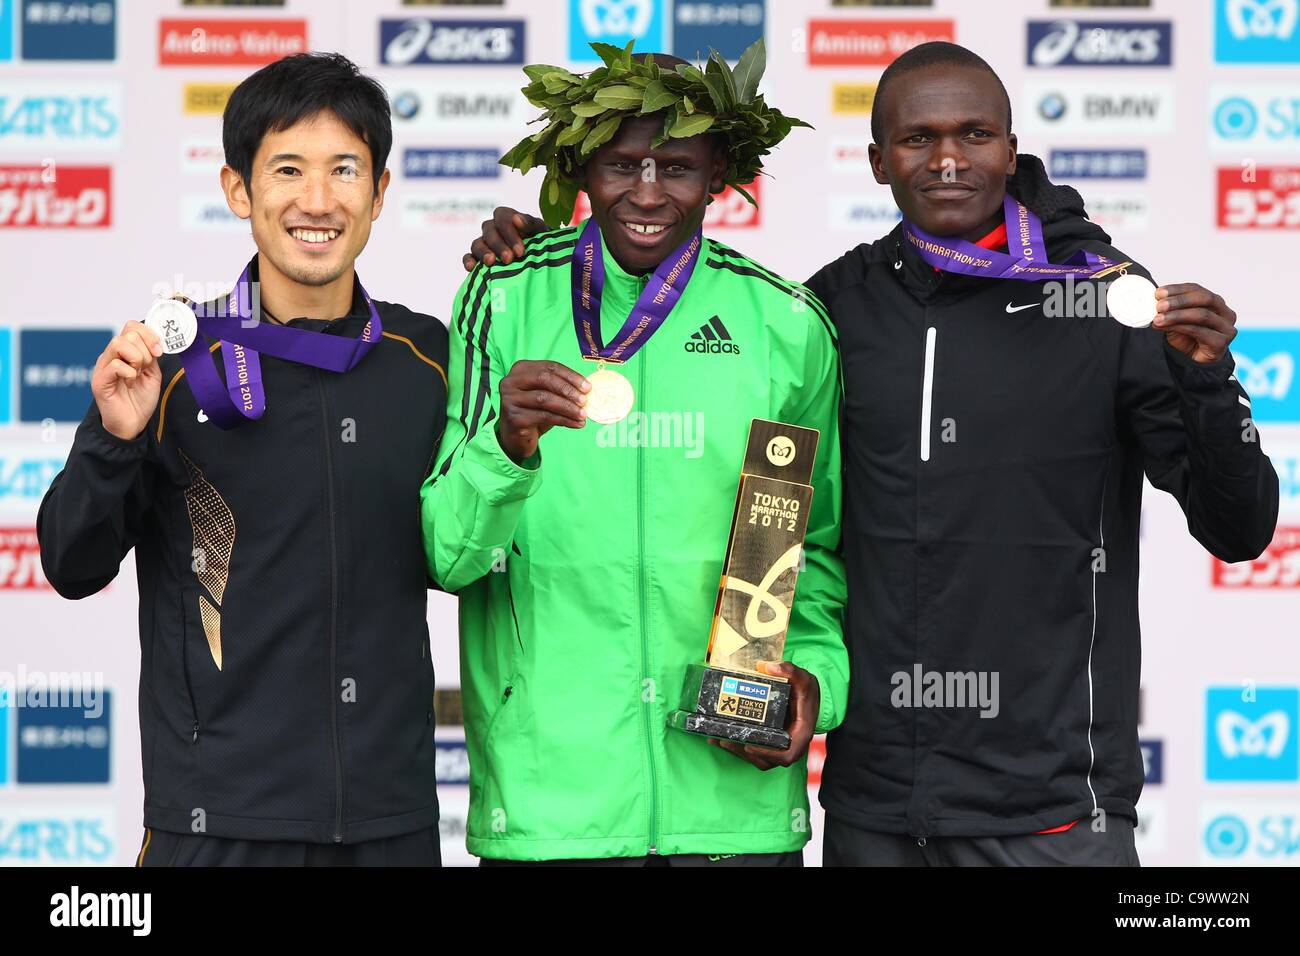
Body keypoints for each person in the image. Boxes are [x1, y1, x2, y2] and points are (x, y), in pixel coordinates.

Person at [462, 42, 1279, 866]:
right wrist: (550, 252)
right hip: (876, 807)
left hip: (1052, 808)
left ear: (1012, 149)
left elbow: (1238, 527)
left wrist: (1206, 384)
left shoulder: (1100, 303)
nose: (950, 159)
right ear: (878, 161)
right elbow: (787, 533)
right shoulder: (829, 311)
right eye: (920, 140)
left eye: (975, 135)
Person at [420, 43, 848, 865]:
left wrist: (814, 680)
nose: (647, 193)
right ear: (581, 169)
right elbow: (447, 553)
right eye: (622, 165)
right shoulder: (503, 297)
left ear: (720, 170)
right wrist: (506, 448)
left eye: (677, 167)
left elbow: (812, 550)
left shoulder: (786, 326)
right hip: (552, 804)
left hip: (733, 802)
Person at [37, 53, 449, 866]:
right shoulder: (172, 364)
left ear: (380, 192)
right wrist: (113, 438)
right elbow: (70, 562)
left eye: (345, 170)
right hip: (217, 823)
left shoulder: (426, 358)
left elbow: (469, 545)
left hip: (388, 821)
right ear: (237, 190)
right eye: (287, 170)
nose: (318, 201)